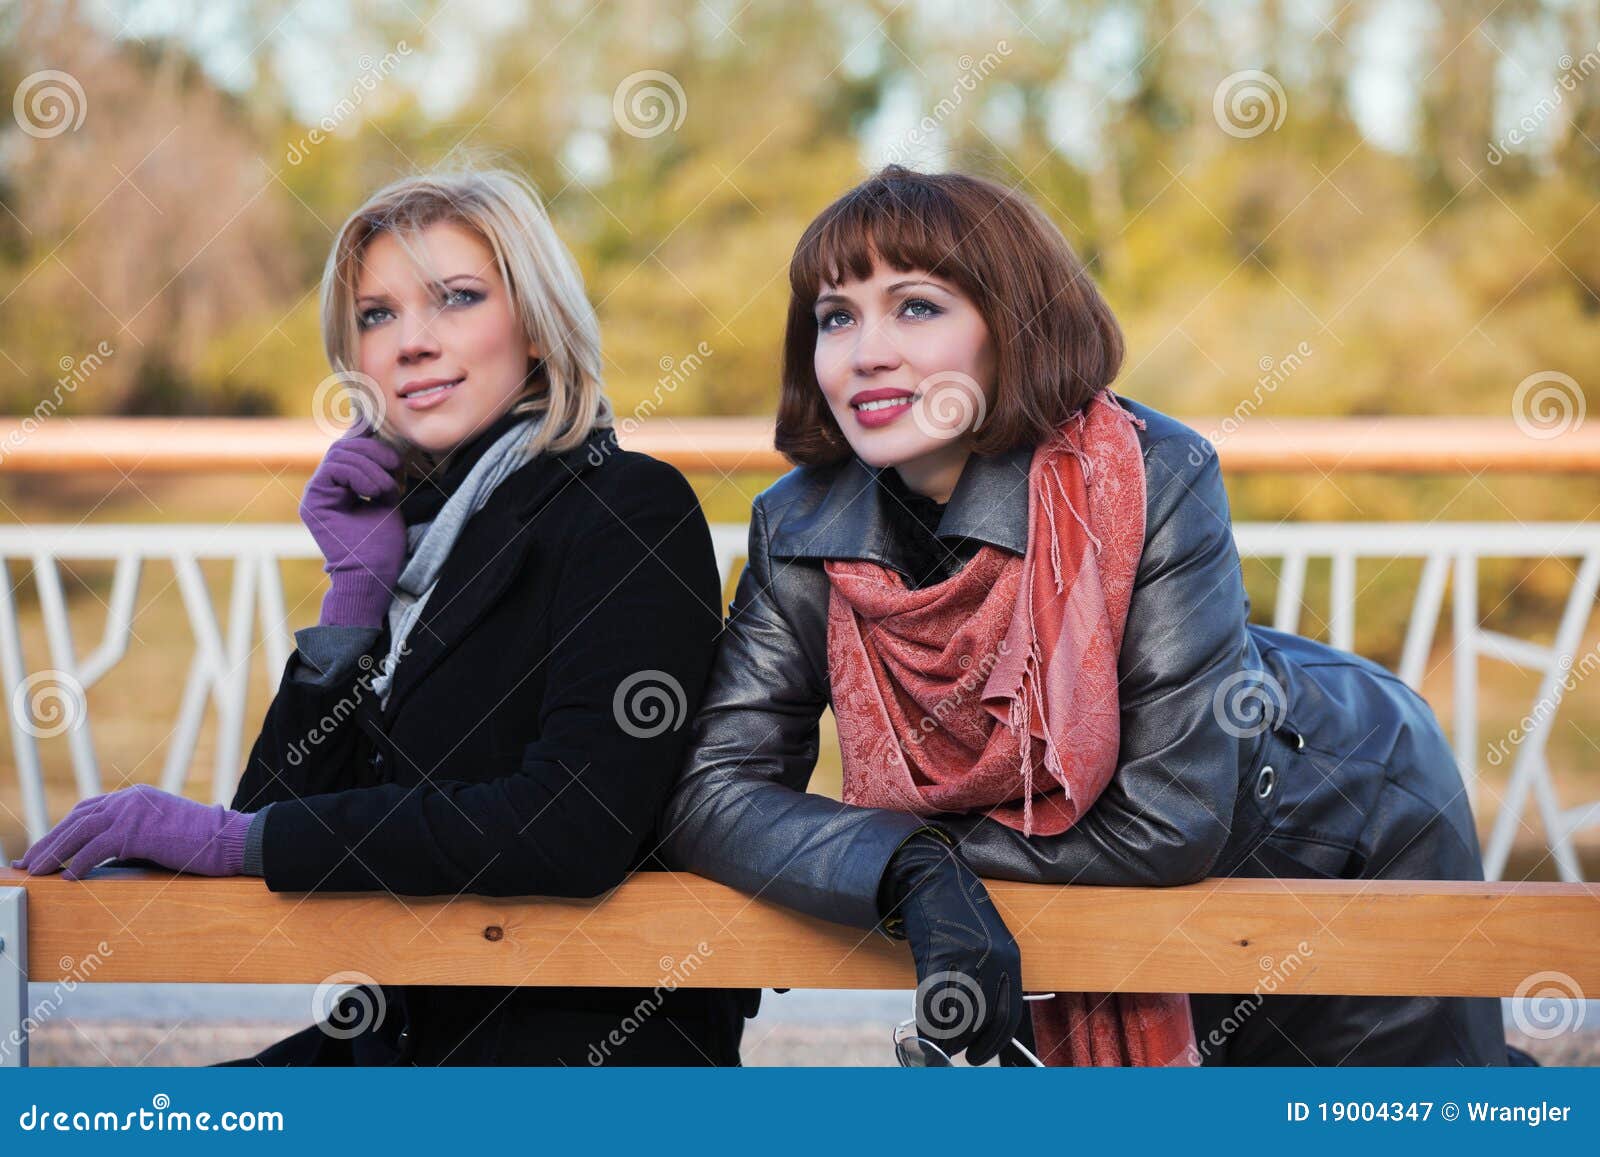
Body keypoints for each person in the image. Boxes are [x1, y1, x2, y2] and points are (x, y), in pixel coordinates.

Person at [660, 165, 1513, 1067]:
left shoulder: (1152, 474)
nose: (866, 351)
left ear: (1014, 325)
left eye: (916, 307)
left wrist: (914, 856)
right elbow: (714, 789)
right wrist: (908, 872)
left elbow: (1169, 819)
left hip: (1337, 822)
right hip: (1063, 882)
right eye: (837, 316)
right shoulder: (800, 521)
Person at [10, 167, 749, 1066]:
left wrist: (225, 836)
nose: (411, 343)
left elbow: (571, 827)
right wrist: (354, 598)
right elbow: (279, 818)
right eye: (378, 315)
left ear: (540, 328)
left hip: (578, 1058)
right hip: (401, 1038)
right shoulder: (419, 537)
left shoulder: (628, 506)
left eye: (457, 299)